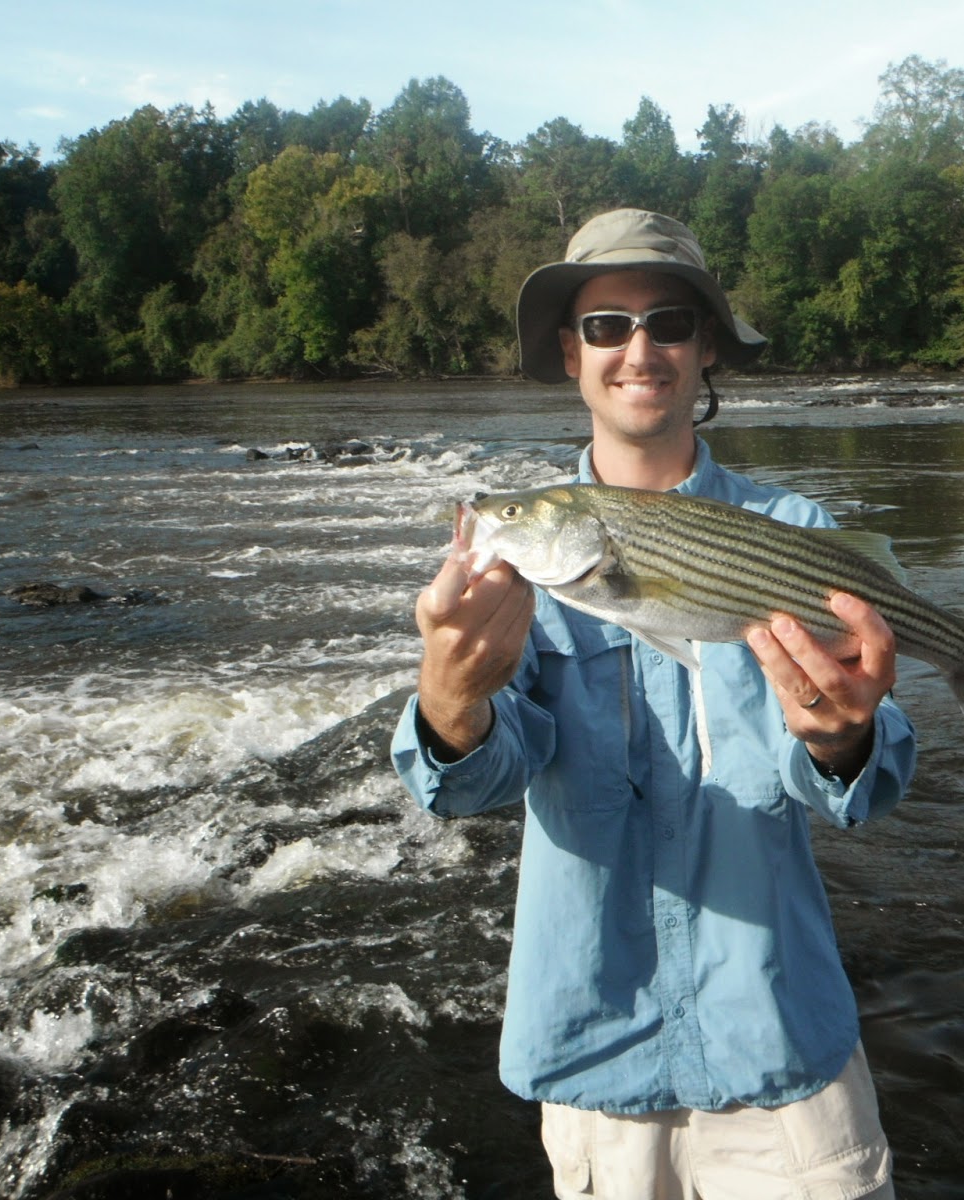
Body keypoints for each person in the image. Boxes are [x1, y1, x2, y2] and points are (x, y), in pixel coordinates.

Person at [392, 208, 917, 1199]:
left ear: (705, 345)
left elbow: (864, 786)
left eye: (669, 321)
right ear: (568, 351)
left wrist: (844, 741)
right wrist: (448, 699)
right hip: (595, 1054)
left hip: (780, 1047)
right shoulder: (523, 555)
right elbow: (468, 788)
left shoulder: (792, 531)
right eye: (604, 325)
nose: (639, 348)